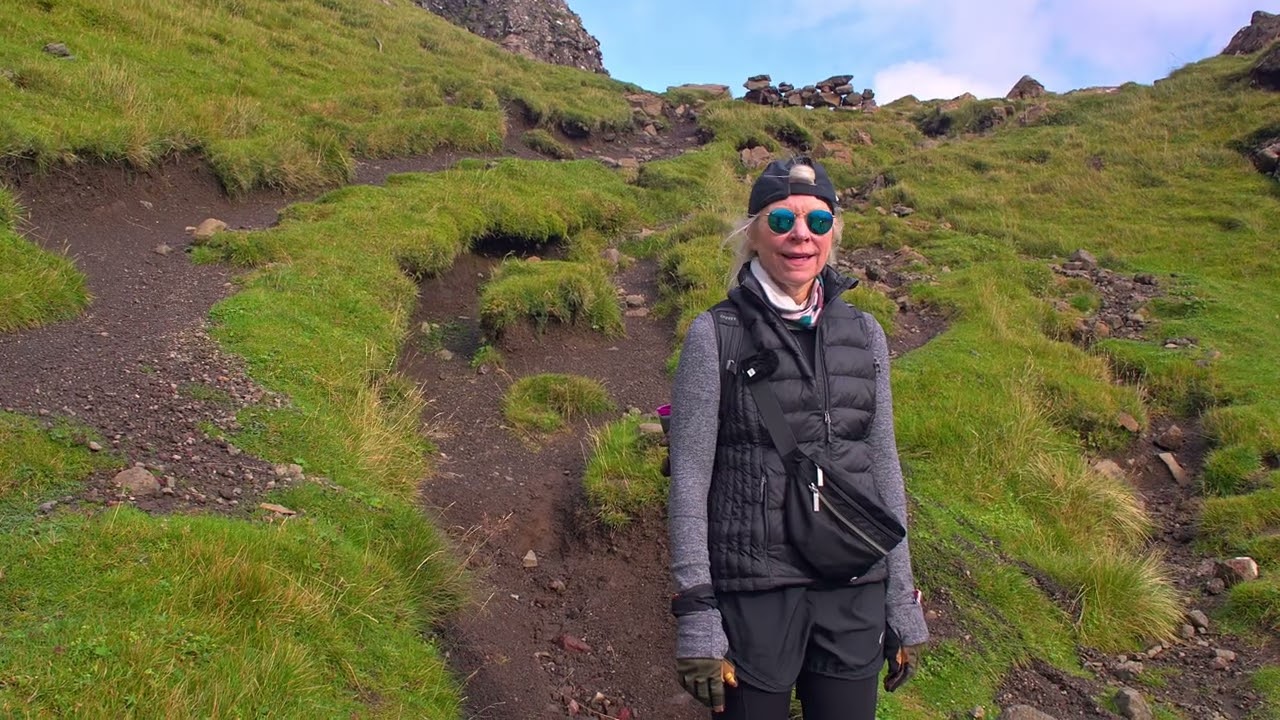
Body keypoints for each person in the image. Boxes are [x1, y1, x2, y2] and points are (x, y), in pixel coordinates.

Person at [667, 156, 929, 718]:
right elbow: (689, 476)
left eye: (817, 221)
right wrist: (696, 610)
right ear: (754, 232)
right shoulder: (714, 333)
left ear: (833, 232)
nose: (801, 236)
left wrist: (901, 598)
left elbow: (882, 464)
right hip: (754, 592)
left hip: (855, 584)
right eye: (782, 220)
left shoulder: (865, 333)